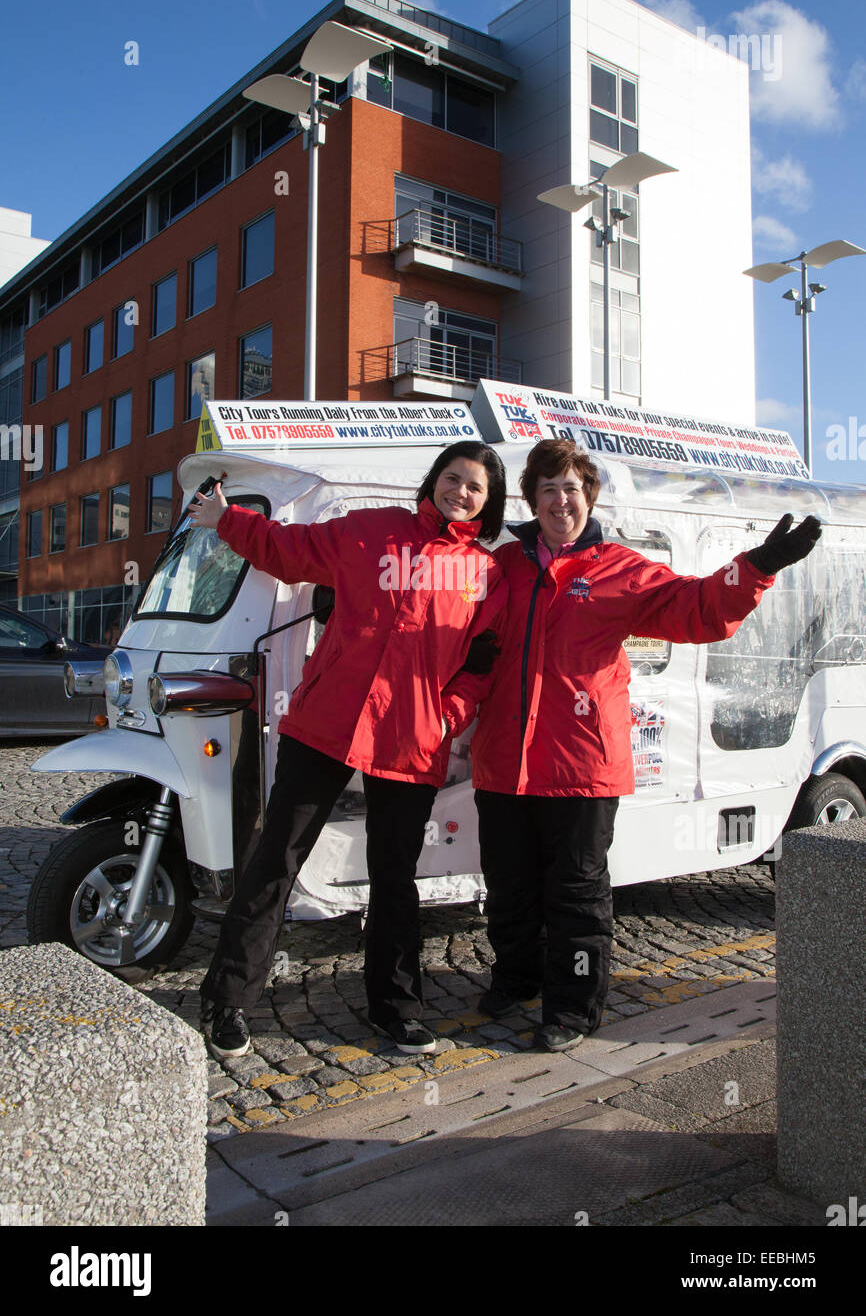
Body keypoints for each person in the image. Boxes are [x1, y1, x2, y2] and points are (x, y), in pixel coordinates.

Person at [442, 437, 821, 1052]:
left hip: (582, 767)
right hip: (503, 766)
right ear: (532, 500)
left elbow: (696, 608)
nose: (560, 499)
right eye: (547, 489)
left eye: (571, 488)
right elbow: (450, 616)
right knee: (508, 885)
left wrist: (757, 566)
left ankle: (571, 1007)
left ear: (588, 496)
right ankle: (517, 977)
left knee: (576, 892)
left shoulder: (619, 568)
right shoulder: (503, 567)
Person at [187, 441, 507, 1059]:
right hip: (327, 722)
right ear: (434, 480)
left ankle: (396, 1010)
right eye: (452, 477)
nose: (460, 491)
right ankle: (226, 1000)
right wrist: (228, 518)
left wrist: (447, 716)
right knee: (276, 857)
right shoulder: (371, 531)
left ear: (487, 503)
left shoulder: (484, 573)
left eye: (474, 486)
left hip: (411, 741)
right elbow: (293, 552)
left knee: (394, 878)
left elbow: (482, 664)